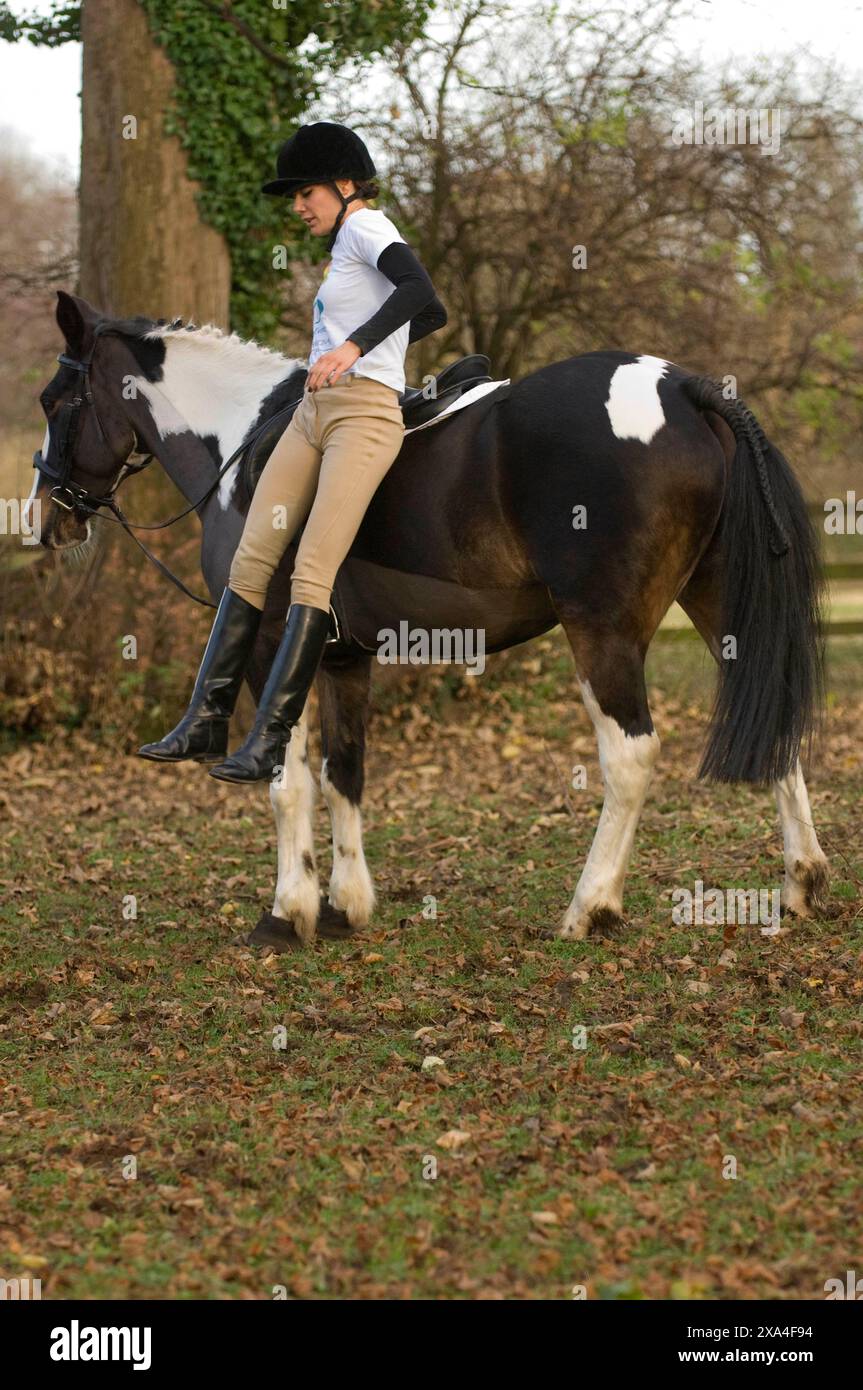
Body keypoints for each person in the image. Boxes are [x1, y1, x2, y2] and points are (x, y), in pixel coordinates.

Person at [138, 122, 447, 782]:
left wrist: (356, 350)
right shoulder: (342, 251)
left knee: (312, 570)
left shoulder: (366, 227)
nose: (298, 206)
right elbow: (426, 317)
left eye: (305, 193)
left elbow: (422, 295)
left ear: (342, 185)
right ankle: (206, 719)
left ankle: (269, 741)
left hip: (362, 417)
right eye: (294, 197)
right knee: (251, 556)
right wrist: (372, 343)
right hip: (312, 413)